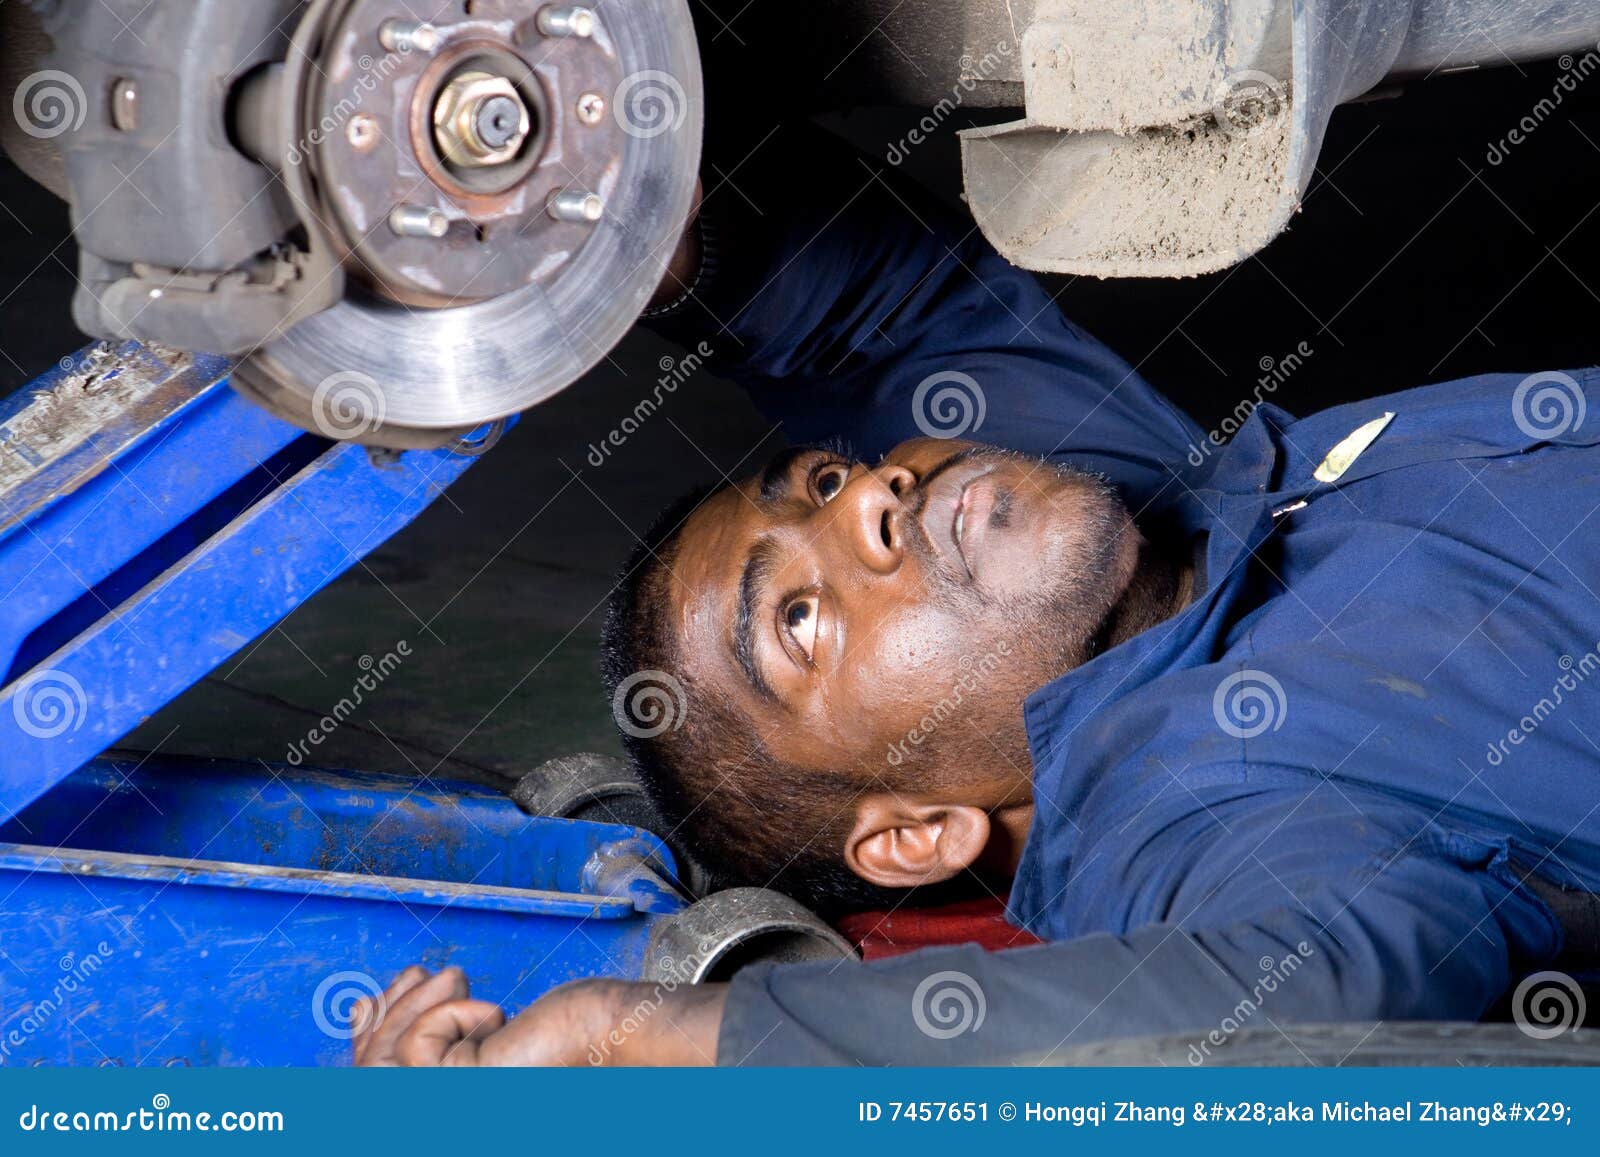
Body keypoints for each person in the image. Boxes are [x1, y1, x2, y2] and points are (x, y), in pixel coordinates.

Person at [353, 128, 1600, 1067]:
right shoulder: (1191, 819)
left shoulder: (1124, 512)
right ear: (916, 833)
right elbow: (1285, 1010)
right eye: (798, 618)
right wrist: (623, 1033)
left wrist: (616, 221)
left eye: (826, 480)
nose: (867, 502)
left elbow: (883, 320)